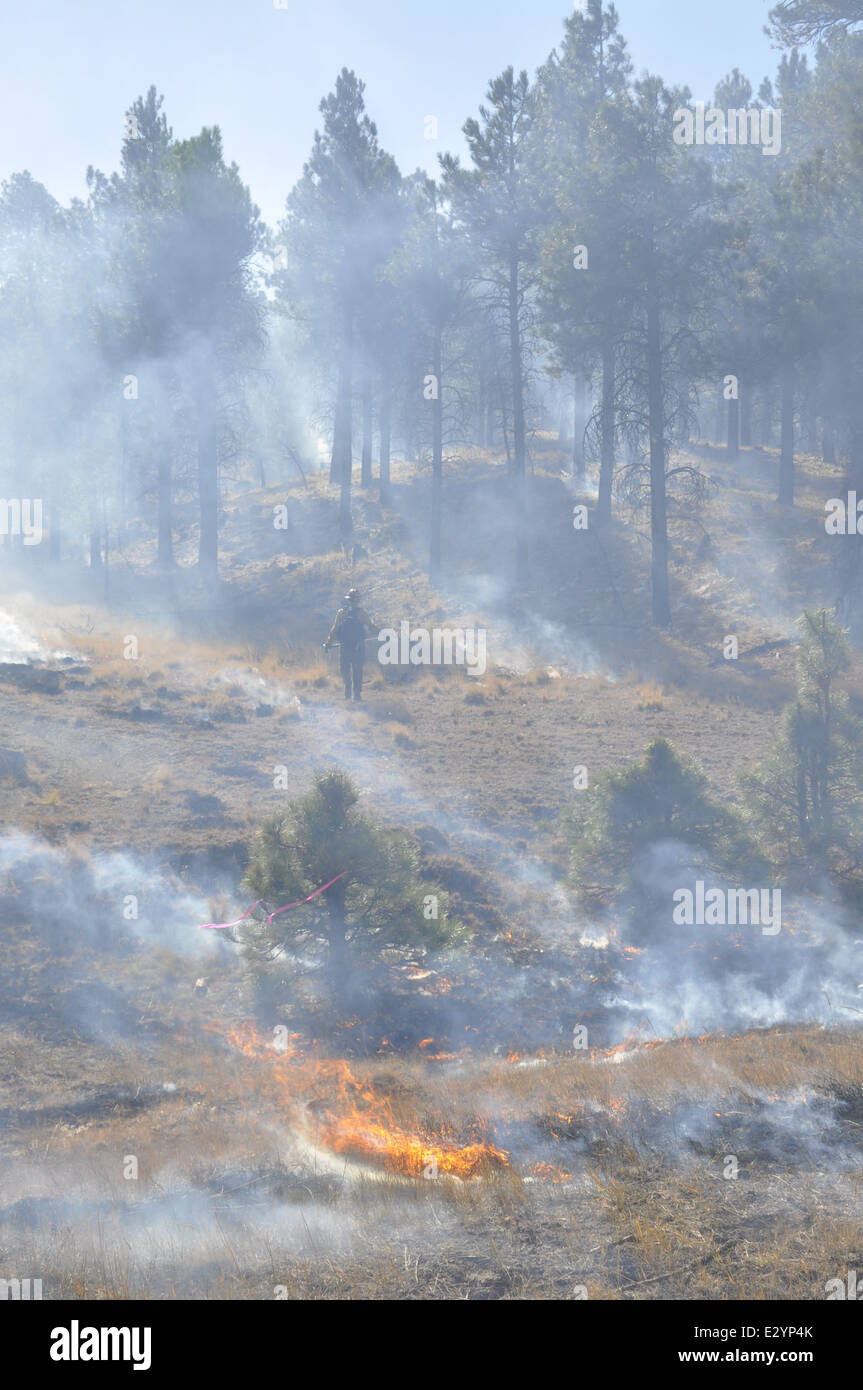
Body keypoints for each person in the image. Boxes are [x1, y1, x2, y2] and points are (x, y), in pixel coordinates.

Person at [323, 588, 379, 701]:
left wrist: (329, 642)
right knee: (357, 670)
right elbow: (371, 626)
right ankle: (356, 694)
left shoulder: (341, 613)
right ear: (358, 601)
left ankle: (348, 689)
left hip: (345, 647)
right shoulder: (361, 614)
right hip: (358, 647)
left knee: (345, 670)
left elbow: (334, 629)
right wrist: (383, 634)